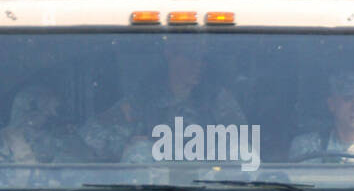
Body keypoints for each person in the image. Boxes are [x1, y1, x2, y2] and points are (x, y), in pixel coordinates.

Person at [81, 40, 246, 161]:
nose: (198, 64)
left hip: (211, 187)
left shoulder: (218, 100)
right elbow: (91, 138)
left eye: (202, 59)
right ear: (170, 55)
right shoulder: (142, 100)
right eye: (190, 56)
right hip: (149, 190)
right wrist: (128, 145)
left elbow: (242, 144)